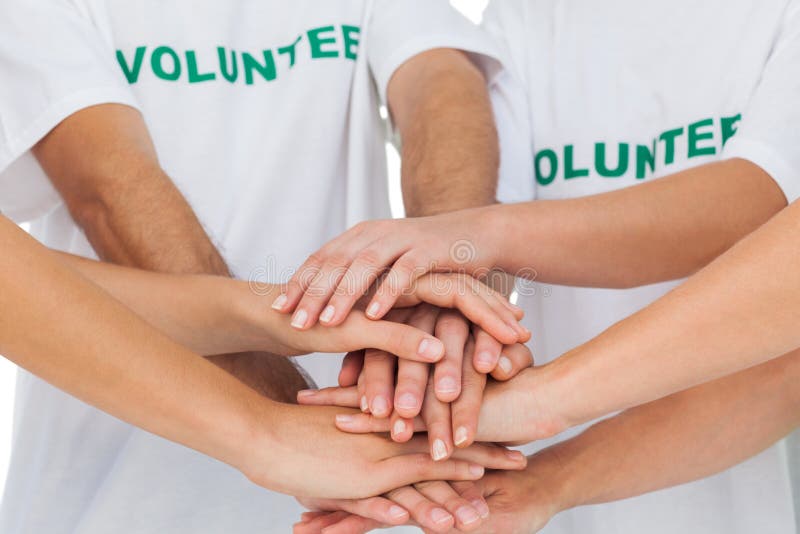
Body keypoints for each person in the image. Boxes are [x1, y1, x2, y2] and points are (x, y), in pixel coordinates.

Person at [0, 1, 523, 532]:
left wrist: (445, 279)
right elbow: (107, 189)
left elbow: (441, 80)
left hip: (359, 468)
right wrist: (297, 425)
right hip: (118, 502)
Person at [284, 0, 800, 532]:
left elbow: (757, 206)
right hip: (530, 478)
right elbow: (478, 261)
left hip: (715, 491)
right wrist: (433, 346)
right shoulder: (523, 19)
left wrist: (474, 244)